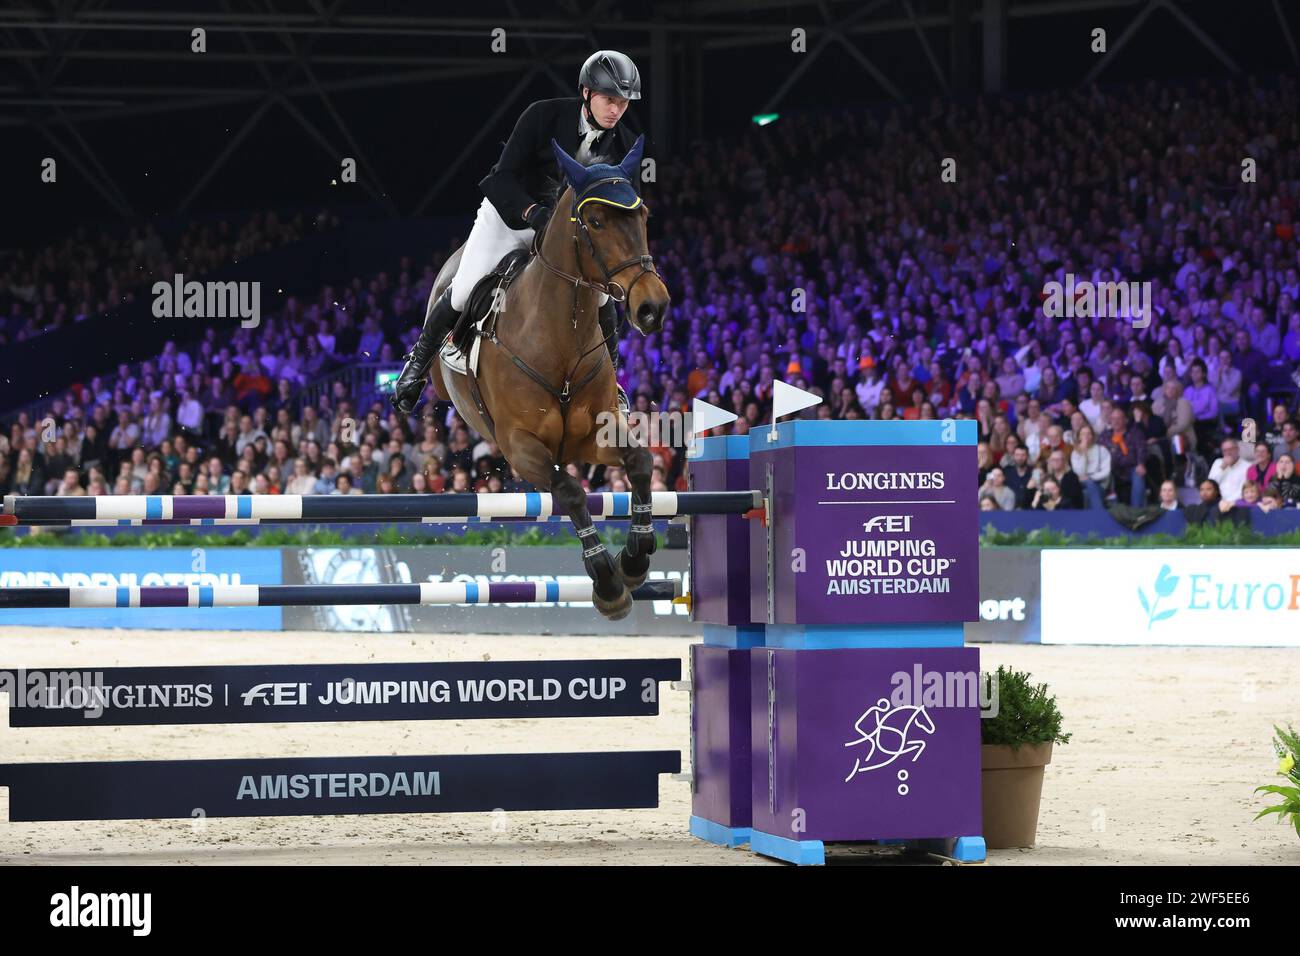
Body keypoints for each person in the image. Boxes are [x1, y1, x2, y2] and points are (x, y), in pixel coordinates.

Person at [392, 50, 645, 415]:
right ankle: (416, 366)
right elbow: (502, 177)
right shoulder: (542, 115)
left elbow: (624, 209)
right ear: (587, 93)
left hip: (567, 236)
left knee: (605, 299)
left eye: (623, 103)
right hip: (512, 216)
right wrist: (532, 212)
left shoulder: (624, 145)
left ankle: (610, 384)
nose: (616, 111)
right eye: (610, 100)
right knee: (464, 289)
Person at [1070, 423, 1111, 509]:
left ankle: (1092, 517)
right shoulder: (1075, 452)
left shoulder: (1102, 450)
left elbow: (1106, 472)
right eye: (1083, 434)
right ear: (1079, 437)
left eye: (1089, 433)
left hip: (1099, 483)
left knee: (1088, 491)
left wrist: (1091, 478)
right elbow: (1078, 472)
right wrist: (1083, 452)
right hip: (1081, 483)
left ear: (1092, 436)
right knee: (1088, 485)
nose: (1086, 436)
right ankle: (1099, 514)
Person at [1207, 438, 1250, 504]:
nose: (1228, 453)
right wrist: (1222, 468)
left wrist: (1231, 502)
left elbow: (1246, 489)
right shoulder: (1218, 463)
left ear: (1237, 449)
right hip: (1218, 502)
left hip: (1238, 503)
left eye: (1231, 449)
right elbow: (1209, 485)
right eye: (1225, 450)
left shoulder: (1248, 466)